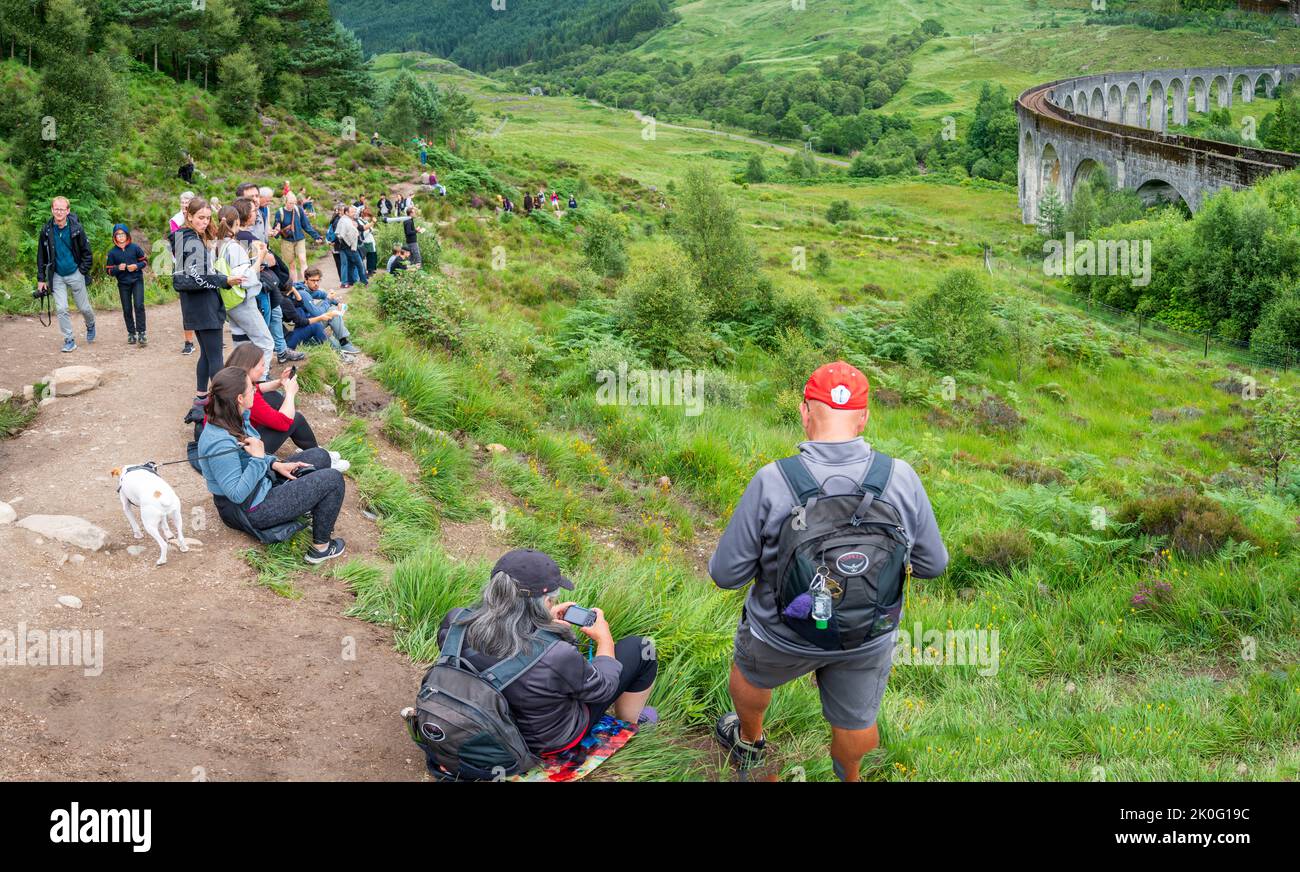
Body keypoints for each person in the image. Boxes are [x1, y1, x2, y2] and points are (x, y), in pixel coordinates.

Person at [708, 362, 949, 781]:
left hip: (780, 632)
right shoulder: (901, 477)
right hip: (867, 637)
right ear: (864, 416)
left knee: (748, 672)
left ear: (804, 412)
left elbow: (726, 574)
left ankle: (749, 740)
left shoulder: (772, 480)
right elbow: (933, 564)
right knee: (857, 719)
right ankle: (849, 777)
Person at [437, 549, 658, 757]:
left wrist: (540, 624)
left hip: (475, 719)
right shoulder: (557, 655)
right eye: (552, 598)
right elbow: (603, 688)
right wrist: (604, 639)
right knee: (639, 647)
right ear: (543, 601)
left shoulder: (456, 621)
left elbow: (502, 643)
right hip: (540, 741)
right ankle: (630, 723)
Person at [197, 367, 346, 563]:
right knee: (333, 479)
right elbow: (236, 494)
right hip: (248, 510)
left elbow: (248, 455)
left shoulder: (234, 417)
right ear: (240, 398)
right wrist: (260, 460)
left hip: (259, 486)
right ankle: (321, 548)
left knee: (320, 456)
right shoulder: (219, 442)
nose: (256, 390)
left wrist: (274, 463)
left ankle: (307, 505)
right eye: (252, 388)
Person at [174, 197, 244, 423]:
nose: (204, 222)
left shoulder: (185, 237)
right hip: (203, 304)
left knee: (206, 352)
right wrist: (225, 280)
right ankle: (225, 404)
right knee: (215, 356)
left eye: (207, 218)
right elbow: (199, 276)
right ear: (189, 216)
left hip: (194, 305)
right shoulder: (190, 240)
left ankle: (201, 397)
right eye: (200, 217)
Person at [222, 343, 349, 461]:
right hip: (245, 454)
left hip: (235, 442)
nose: (264, 368)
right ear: (249, 368)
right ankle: (319, 456)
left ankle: (312, 449)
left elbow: (258, 389)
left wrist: (279, 382)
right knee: (295, 419)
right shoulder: (249, 399)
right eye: (261, 365)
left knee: (272, 396)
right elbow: (283, 423)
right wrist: (290, 393)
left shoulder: (231, 382)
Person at [217, 200, 274, 377]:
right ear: (237, 224)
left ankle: (237, 381)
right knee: (265, 342)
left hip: (228, 302)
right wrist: (259, 258)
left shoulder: (216, 245)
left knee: (240, 344)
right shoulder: (235, 247)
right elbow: (245, 279)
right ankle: (260, 383)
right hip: (242, 301)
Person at [36, 197, 96, 354]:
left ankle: (90, 324)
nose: (59, 212)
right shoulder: (46, 230)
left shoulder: (77, 229)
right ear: (52, 210)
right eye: (56, 209)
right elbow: (41, 256)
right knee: (61, 308)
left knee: (84, 307)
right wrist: (41, 279)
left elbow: (87, 253)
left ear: (68, 211)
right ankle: (69, 340)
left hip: (75, 273)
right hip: (57, 275)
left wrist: (81, 271)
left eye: (62, 209)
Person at [105, 223, 148, 346]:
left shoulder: (135, 248)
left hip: (137, 281)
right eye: (117, 235)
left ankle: (141, 333)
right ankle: (131, 333)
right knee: (127, 309)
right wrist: (118, 268)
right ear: (114, 237)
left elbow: (145, 262)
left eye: (122, 234)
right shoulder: (112, 253)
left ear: (127, 235)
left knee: (139, 305)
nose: (120, 236)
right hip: (123, 284)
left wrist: (136, 266)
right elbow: (109, 271)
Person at [298, 268, 360, 353]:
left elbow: (323, 294)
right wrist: (328, 300)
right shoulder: (303, 293)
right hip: (304, 329)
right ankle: (343, 341)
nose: (316, 284)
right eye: (313, 280)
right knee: (332, 311)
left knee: (332, 307)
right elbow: (317, 313)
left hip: (309, 322)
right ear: (306, 279)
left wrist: (337, 302)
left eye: (318, 280)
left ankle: (341, 339)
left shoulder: (308, 289)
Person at [170, 192, 200, 355]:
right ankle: (188, 341)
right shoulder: (175, 220)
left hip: (202, 264)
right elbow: (177, 243)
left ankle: (213, 336)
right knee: (187, 306)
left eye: (187, 201)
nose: (184, 204)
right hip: (184, 265)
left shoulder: (202, 217)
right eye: (182, 201)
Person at [272, 191, 322, 284]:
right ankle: (294, 285)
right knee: (291, 264)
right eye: (290, 203)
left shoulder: (298, 210)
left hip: (299, 239)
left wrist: (316, 236)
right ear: (285, 202)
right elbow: (276, 228)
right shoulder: (280, 212)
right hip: (287, 241)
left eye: (294, 203)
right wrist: (276, 232)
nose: (292, 205)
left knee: (303, 260)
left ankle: (307, 283)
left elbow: (306, 225)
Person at [384, 204, 424, 268]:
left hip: (410, 241)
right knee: (417, 257)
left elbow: (410, 231)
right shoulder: (408, 221)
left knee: (410, 258)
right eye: (414, 212)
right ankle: (417, 271)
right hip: (412, 242)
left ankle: (410, 271)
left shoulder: (409, 220)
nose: (415, 213)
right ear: (410, 213)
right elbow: (408, 232)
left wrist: (416, 230)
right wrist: (416, 231)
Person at [335, 205, 366, 287]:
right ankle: (364, 282)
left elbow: (339, 234)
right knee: (359, 265)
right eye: (352, 212)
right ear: (346, 213)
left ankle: (348, 282)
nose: (354, 213)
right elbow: (353, 233)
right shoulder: (346, 221)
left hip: (343, 246)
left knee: (350, 265)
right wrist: (352, 245)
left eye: (354, 211)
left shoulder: (343, 220)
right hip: (349, 247)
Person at [359, 206, 378, 276]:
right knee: (368, 257)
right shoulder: (360, 221)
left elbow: (370, 229)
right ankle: (369, 271)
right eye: (368, 216)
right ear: (364, 215)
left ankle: (372, 270)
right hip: (366, 241)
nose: (368, 218)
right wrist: (370, 228)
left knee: (372, 256)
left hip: (370, 241)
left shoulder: (366, 221)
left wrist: (371, 229)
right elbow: (363, 234)